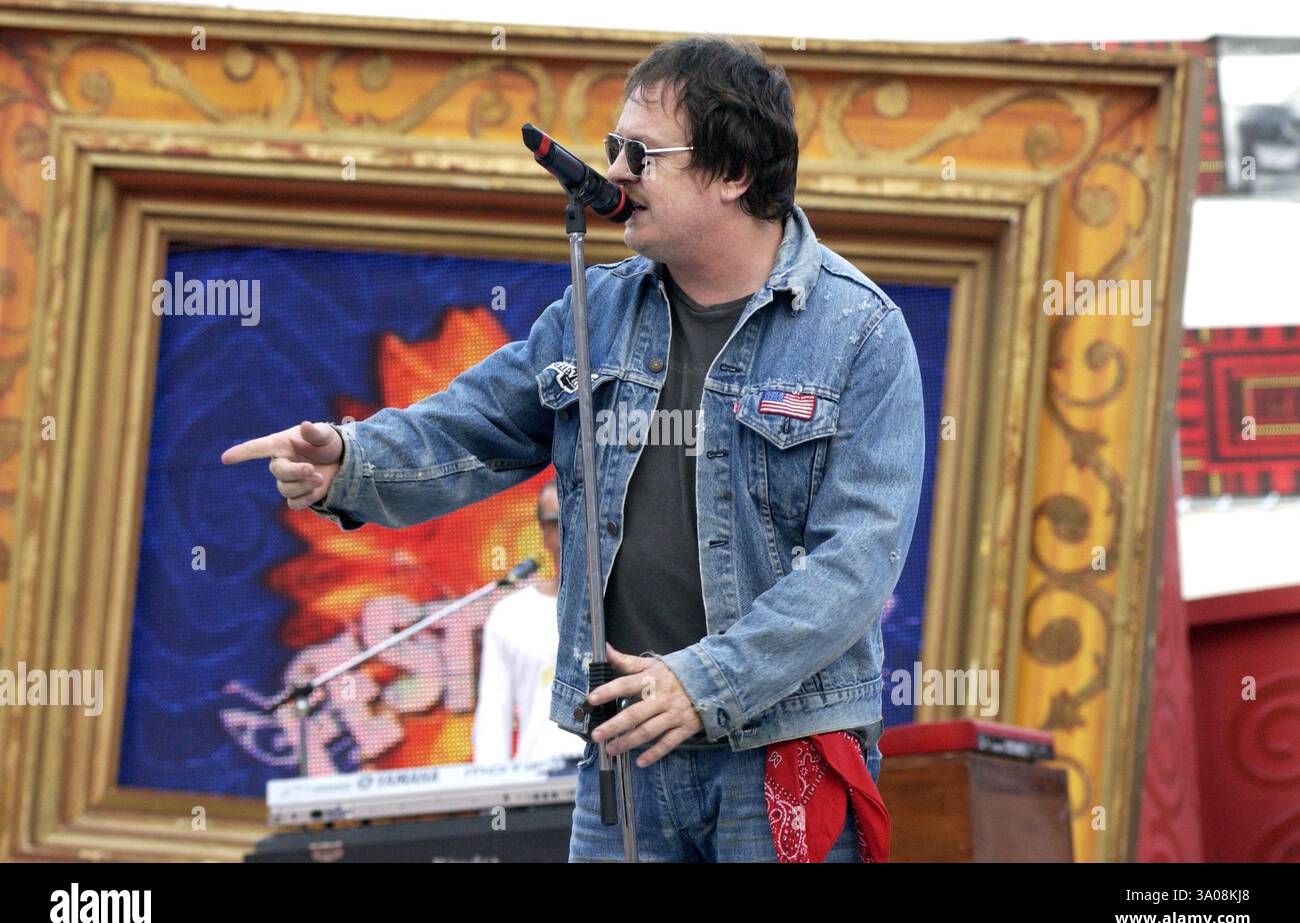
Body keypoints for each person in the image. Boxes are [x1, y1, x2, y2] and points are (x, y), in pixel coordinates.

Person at [222, 34, 925, 862]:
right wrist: (352, 457)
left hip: (778, 754)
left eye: (642, 152)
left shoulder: (860, 332)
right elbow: (469, 422)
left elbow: (857, 563)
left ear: (735, 174)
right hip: (622, 754)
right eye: (611, 149)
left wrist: (703, 683)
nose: (616, 172)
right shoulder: (596, 310)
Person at [471, 478, 587, 764]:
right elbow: (492, 719)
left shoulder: (628, 604)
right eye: (557, 520)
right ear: (544, 532)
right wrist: (494, 801)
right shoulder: (510, 615)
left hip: (619, 783)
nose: (570, 528)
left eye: (581, 515)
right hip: (540, 781)